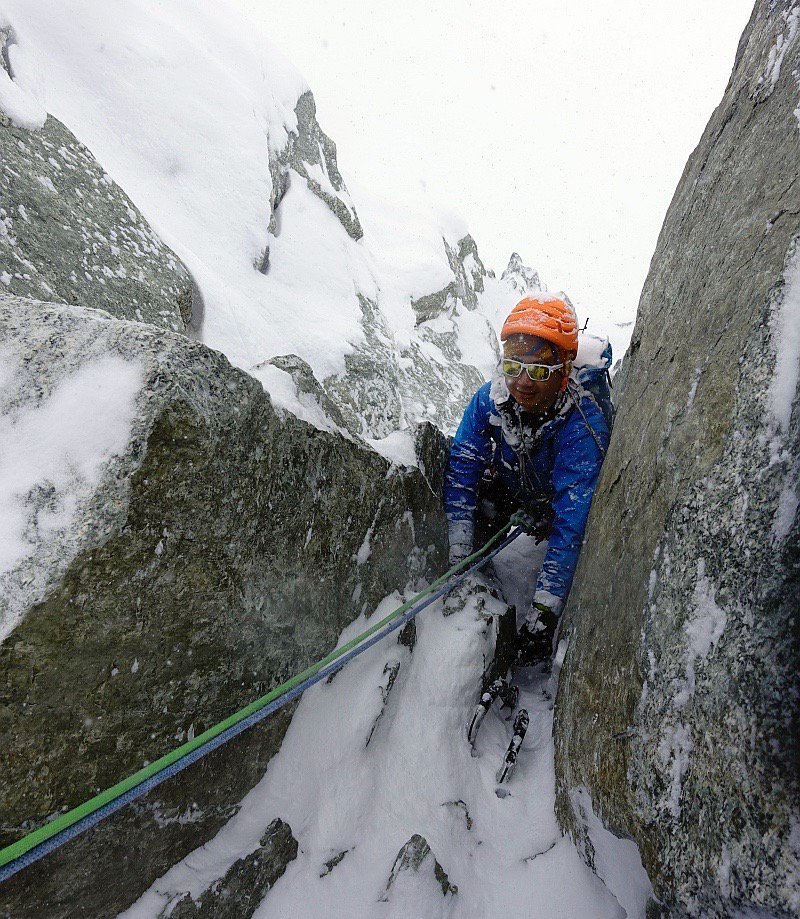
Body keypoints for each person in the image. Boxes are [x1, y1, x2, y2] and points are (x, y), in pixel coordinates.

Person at [443, 293, 610, 664]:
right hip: (512, 490)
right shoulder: (491, 399)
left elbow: (573, 520)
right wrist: (458, 555)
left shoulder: (581, 425)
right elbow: (463, 467)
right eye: (512, 366)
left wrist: (544, 612)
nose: (522, 382)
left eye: (538, 371)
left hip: (549, 508)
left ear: (564, 373)